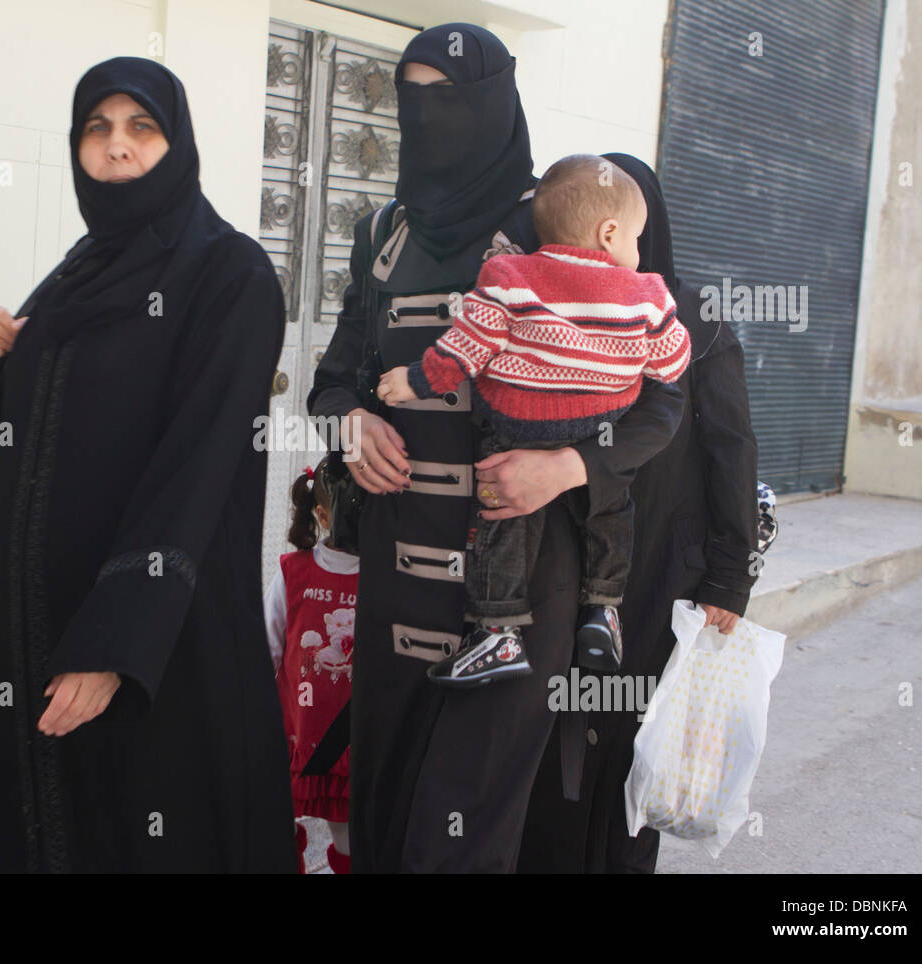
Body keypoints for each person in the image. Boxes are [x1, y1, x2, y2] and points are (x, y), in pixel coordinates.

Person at [308, 24, 686, 873]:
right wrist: (349, 424)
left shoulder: (555, 225)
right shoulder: (384, 237)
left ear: (494, 102)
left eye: (447, 97)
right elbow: (336, 378)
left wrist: (569, 466)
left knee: (471, 826)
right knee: (385, 810)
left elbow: (664, 403)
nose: (425, 117)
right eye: (410, 98)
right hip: (397, 579)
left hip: (522, 586)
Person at [0, 57, 295, 873]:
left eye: (141, 127)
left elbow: (196, 469)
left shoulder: (230, 277)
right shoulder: (78, 270)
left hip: (160, 635)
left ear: (178, 141)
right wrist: (8, 360)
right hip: (27, 623)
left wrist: (115, 645)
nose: (116, 149)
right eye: (98, 129)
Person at [516, 152, 759, 873]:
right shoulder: (557, 316)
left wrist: (728, 580)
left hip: (658, 572)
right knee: (552, 735)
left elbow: (733, 457)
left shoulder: (698, 331)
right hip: (565, 565)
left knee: (628, 745)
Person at [378, 155, 691, 685]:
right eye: (636, 238)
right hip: (600, 426)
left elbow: (466, 351)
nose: (639, 251)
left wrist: (415, 380)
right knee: (612, 507)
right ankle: (605, 608)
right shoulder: (647, 293)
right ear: (609, 233)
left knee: (502, 517)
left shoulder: (507, 276)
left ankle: (498, 634)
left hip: (517, 425)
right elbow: (671, 363)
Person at [264, 458, 358, 874]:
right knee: (277, 834)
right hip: (293, 737)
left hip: (347, 745)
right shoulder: (292, 572)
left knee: (351, 844)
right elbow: (264, 647)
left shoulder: (385, 575)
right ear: (323, 516)